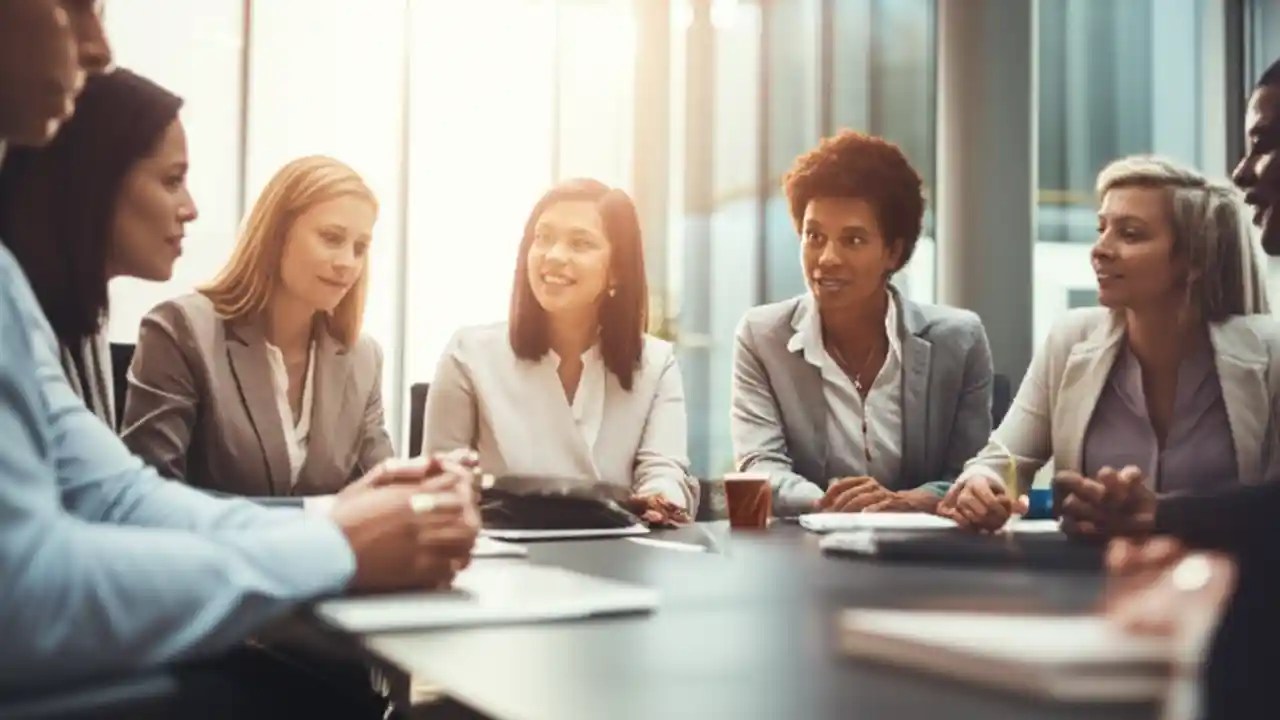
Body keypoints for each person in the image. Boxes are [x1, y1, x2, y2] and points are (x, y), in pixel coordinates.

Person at [0, 1, 477, 707]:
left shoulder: (16, 291)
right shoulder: (180, 327)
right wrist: (335, 542)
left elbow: (118, 497)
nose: (99, 46)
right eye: (77, 8)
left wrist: (363, 511)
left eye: (361, 244)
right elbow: (28, 589)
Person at [940, 155, 1276, 532]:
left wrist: (1165, 515)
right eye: (1102, 228)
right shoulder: (1071, 339)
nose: (1099, 249)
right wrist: (982, 485)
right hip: (1090, 578)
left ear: (1193, 258)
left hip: (1225, 583)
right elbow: (1004, 458)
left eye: (1130, 234)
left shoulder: (1269, 355)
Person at [731, 130, 993, 517]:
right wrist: (831, 503)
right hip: (807, 553)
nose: (827, 258)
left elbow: (972, 472)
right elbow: (759, 464)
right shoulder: (762, 336)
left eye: (852, 240)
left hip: (924, 555)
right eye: (814, 236)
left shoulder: (959, 340)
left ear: (893, 251)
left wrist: (905, 502)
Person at [424, 178, 698, 523]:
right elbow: (438, 487)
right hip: (502, 561)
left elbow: (664, 469)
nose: (553, 256)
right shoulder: (469, 354)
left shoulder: (656, 363)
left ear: (617, 271)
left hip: (618, 559)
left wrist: (660, 500)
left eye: (580, 243)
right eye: (543, 238)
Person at [122, 156, 393, 504]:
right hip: (210, 558)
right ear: (276, 235)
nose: (347, 263)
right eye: (331, 238)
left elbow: (381, 497)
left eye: (360, 248)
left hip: (326, 559)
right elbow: (152, 500)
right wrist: (318, 516)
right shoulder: (180, 331)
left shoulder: (362, 357)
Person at [0, 68, 196, 431]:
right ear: (99, 180)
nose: (191, 209)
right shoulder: (18, 330)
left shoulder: (84, 320)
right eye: (172, 180)